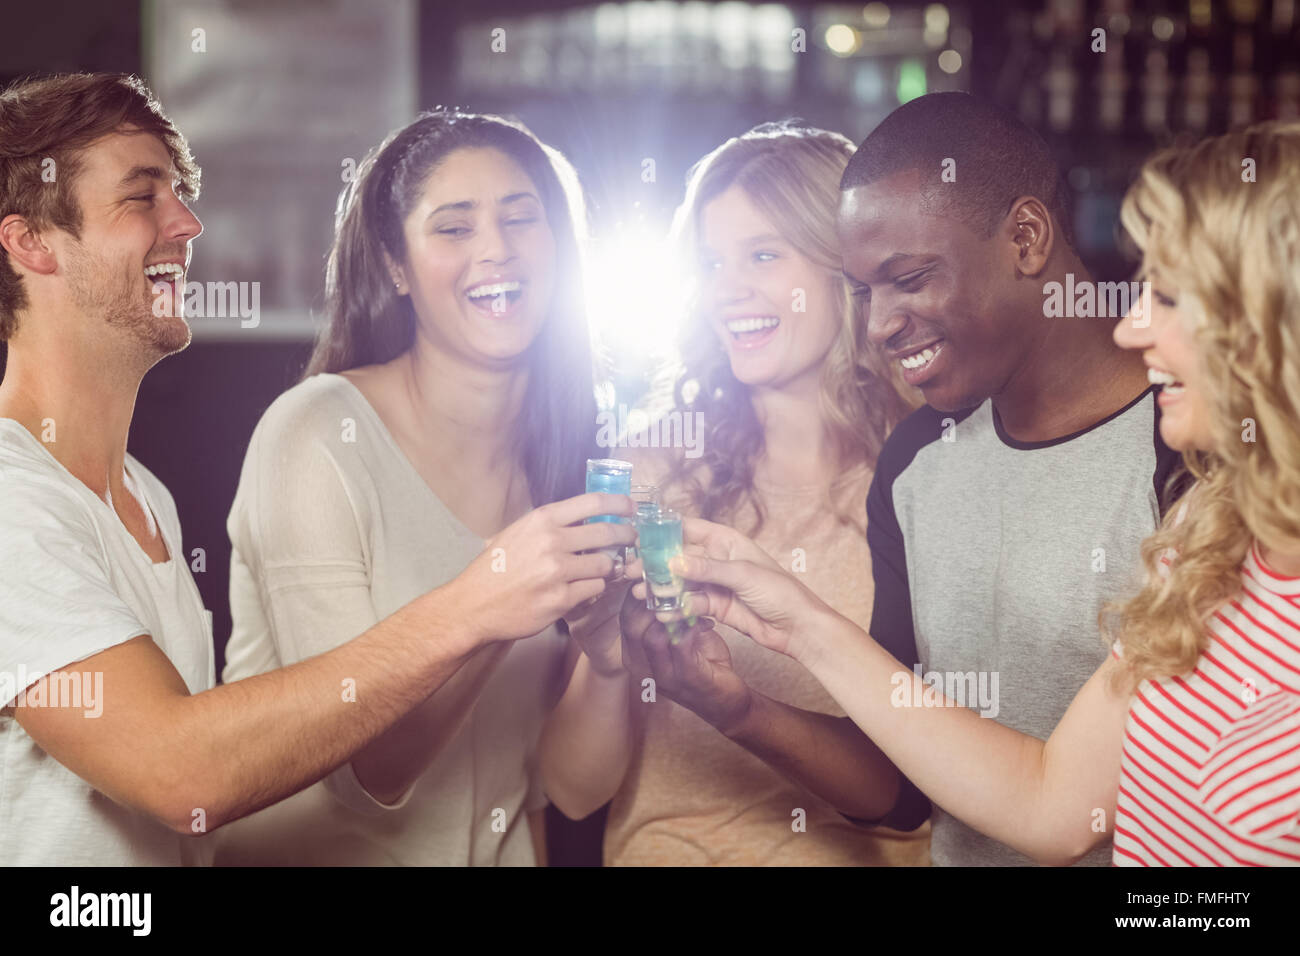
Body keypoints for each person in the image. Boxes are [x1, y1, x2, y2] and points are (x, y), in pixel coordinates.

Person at [0, 73, 632, 866]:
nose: (188, 224)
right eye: (142, 197)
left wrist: (611, 648)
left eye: (181, 194)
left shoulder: (142, 498)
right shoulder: (9, 497)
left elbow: (549, 791)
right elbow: (183, 775)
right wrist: (484, 600)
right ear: (28, 242)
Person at [654, 119, 1300, 866]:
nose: (1133, 325)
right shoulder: (1208, 534)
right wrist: (790, 628)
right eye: (865, 291)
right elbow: (1050, 803)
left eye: (1176, 296)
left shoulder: (1187, 467)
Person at [213, 109, 634, 865]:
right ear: (397, 268)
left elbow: (568, 792)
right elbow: (366, 774)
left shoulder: (562, 466)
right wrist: (495, 603)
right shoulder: (315, 433)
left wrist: (608, 658)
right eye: (453, 227)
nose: (496, 251)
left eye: (521, 219)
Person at [538, 120, 927, 865]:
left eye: (762, 254)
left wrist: (744, 710)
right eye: (711, 261)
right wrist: (604, 656)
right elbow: (573, 790)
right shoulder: (651, 472)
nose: (728, 290)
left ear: (844, 267)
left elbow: (923, 795)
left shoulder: (928, 477)